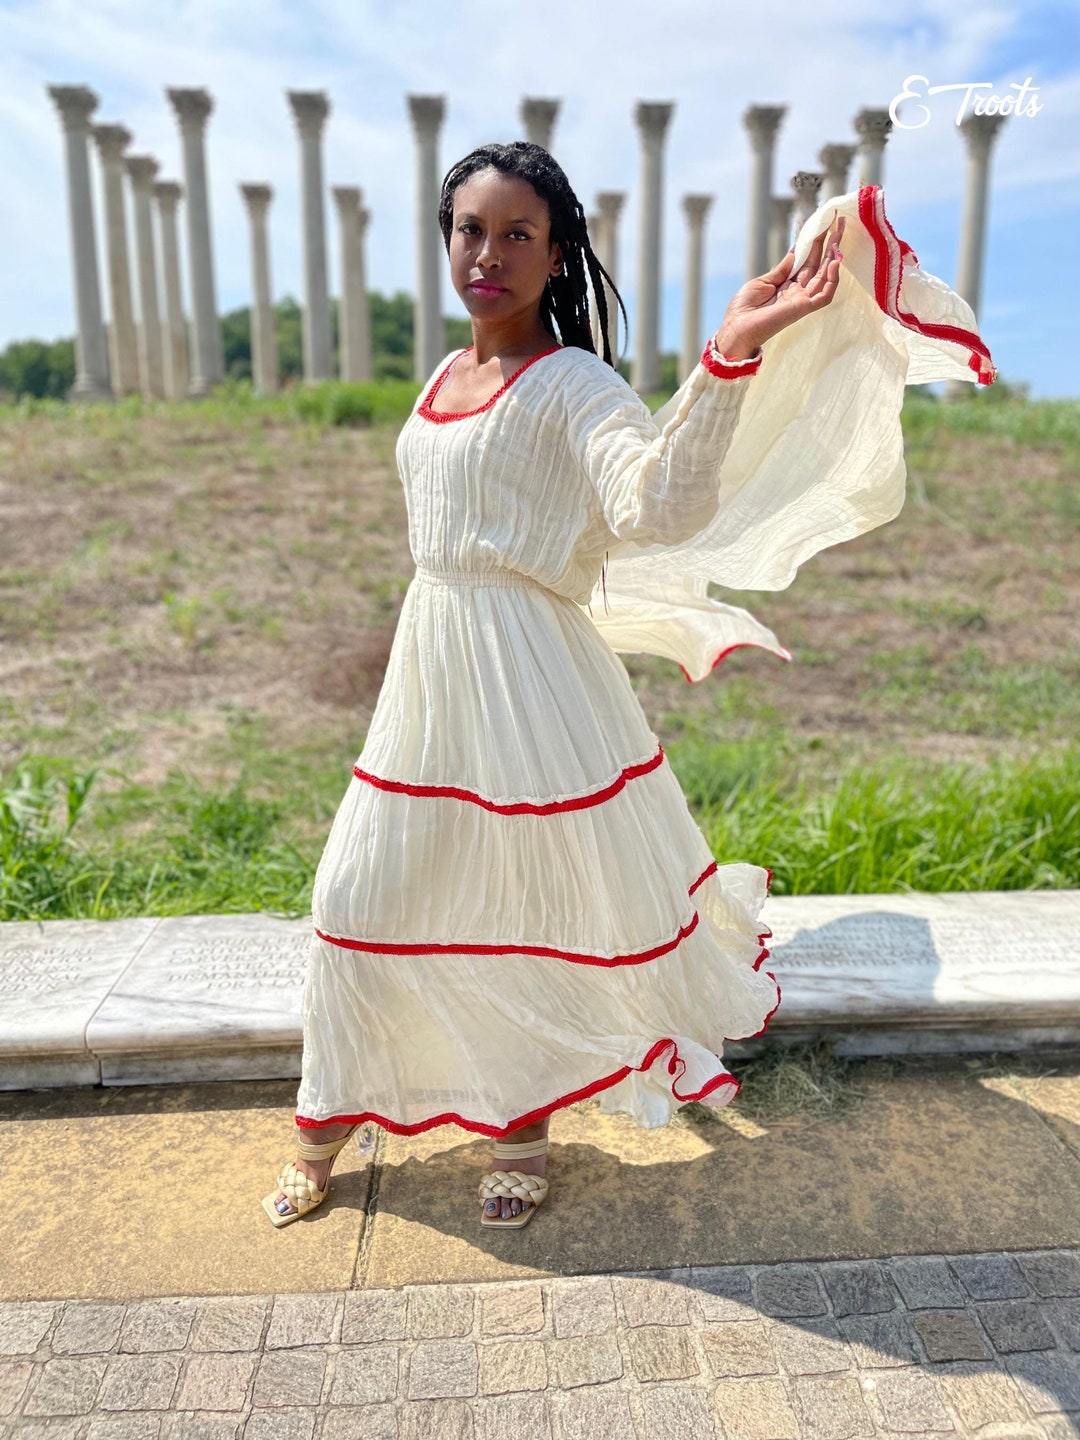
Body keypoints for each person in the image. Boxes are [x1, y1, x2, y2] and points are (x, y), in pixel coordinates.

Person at [263, 141, 994, 1230]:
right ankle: (325, 1117)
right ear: (446, 240)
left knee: (525, 902)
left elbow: (657, 508)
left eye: (518, 234)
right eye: (471, 230)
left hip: (532, 682)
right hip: (432, 670)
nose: (489, 254)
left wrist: (730, 353)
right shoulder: (441, 377)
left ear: (557, 255)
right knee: (357, 896)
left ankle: (518, 1128)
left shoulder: (576, 384)